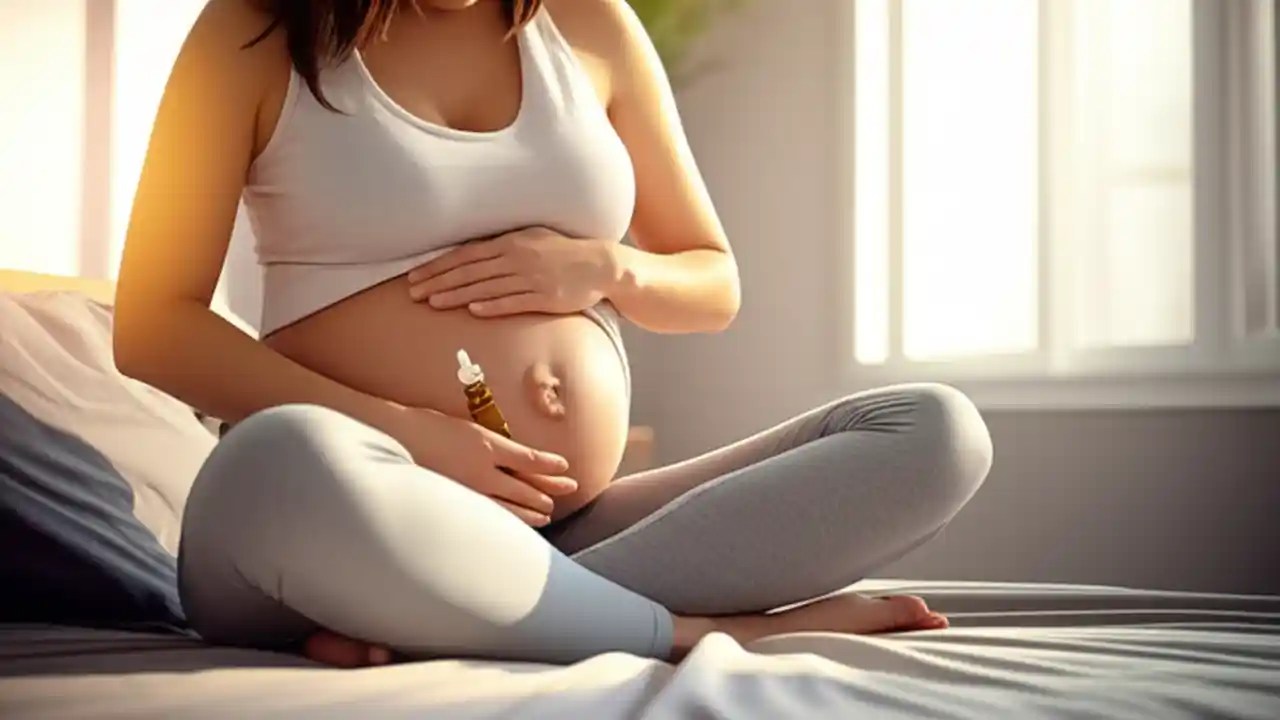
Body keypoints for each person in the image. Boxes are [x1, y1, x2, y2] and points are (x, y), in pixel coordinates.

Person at [113, 0, 993, 668]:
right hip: (330, 519)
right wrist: (407, 437)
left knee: (933, 433)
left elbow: (711, 279)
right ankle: (692, 631)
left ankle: (450, 614)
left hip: (556, 525)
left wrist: (606, 269)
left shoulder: (589, 23)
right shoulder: (255, 32)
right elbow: (151, 326)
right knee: (284, 457)